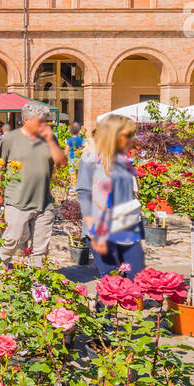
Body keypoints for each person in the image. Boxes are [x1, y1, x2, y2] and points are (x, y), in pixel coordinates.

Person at [0, 101, 68, 267]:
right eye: (40, 120)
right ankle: (0, 265)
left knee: (40, 248)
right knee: (13, 238)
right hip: (17, 200)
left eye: (46, 120)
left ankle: (36, 280)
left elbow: (62, 163)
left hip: (44, 201)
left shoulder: (50, 138)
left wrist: (50, 140)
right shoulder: (10, 139)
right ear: (26, 120)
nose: (45, 124)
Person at [77, 115, 145, 278]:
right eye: (128, 135)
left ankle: (114, 302)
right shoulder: (91, 160)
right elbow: (84, 194)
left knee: (132, 274)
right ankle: (104, 304)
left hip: (127, 228)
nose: (132, 139)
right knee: (112, 277)